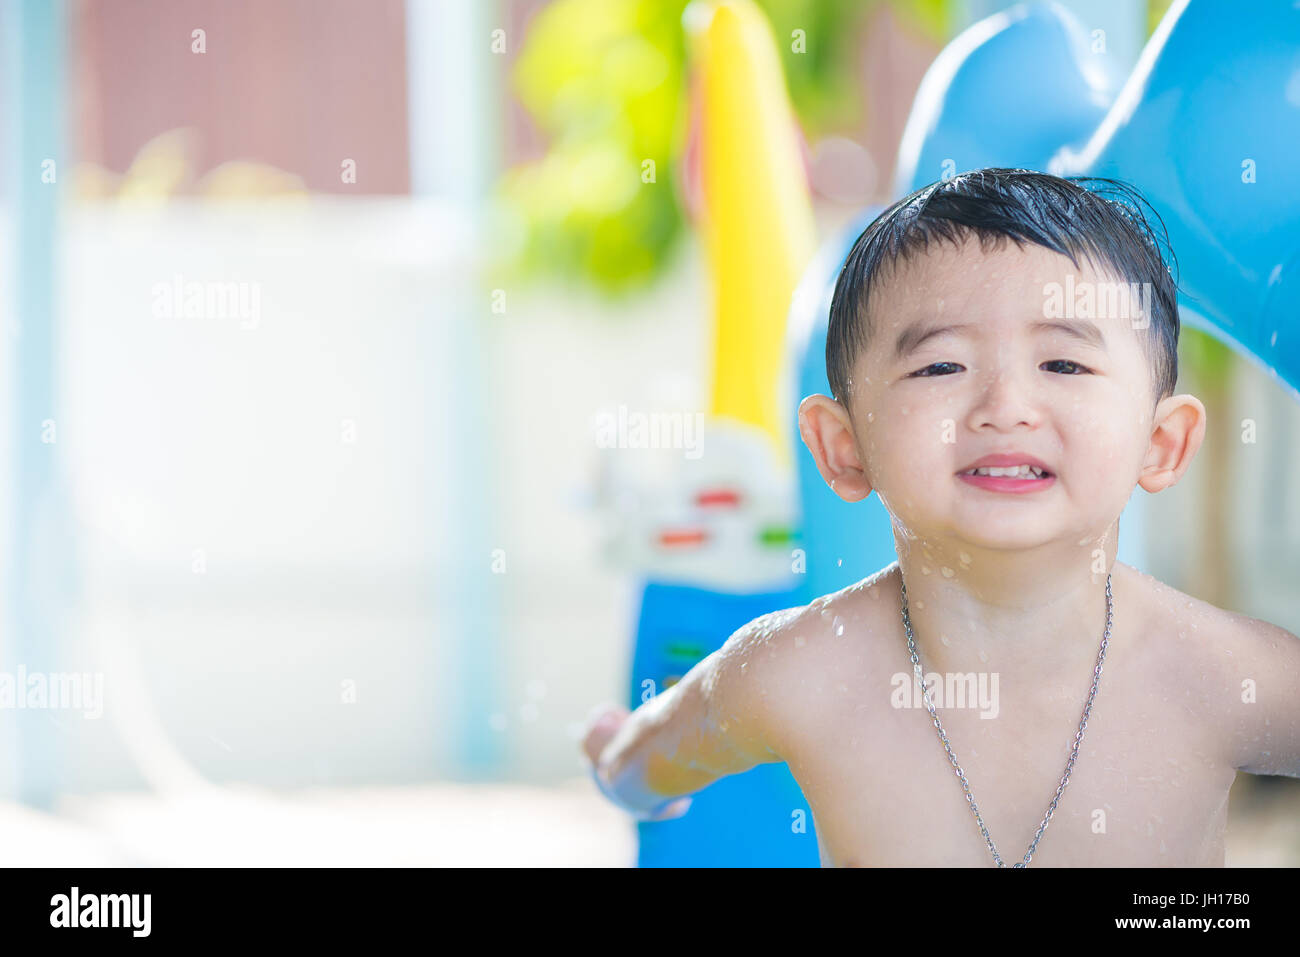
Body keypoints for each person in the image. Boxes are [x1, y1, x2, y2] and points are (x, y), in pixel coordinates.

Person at [581, 169, 1300, 866]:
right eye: (941, 366)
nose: (1005, 405)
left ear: (1161, 441)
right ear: (843, 447)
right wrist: (623, 769)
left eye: (1064, 364)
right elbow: (653, 745)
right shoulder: (799, 671)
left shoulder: (1224, 675)